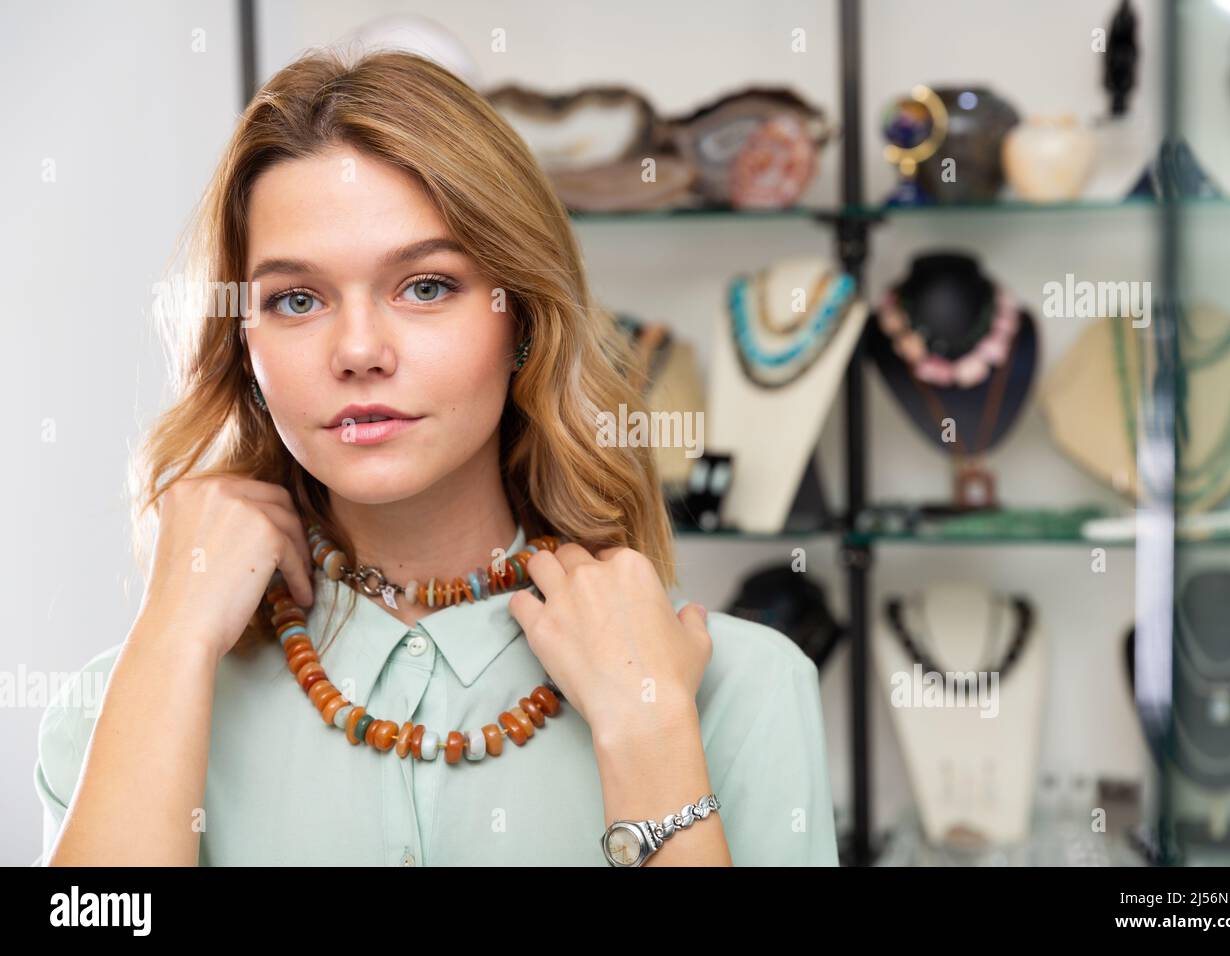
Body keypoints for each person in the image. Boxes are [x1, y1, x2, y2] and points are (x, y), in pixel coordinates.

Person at [33, 48, 838, 866]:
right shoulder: (118, 704)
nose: (358, 351)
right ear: (243, 348)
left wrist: (650, 736)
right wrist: (171, 642)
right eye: (296, 300)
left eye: (425, 286)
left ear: (522, 317)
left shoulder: (743, 690)